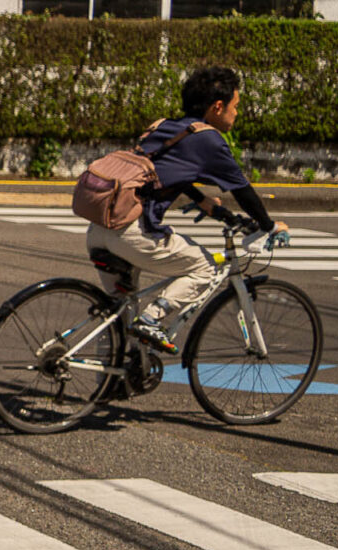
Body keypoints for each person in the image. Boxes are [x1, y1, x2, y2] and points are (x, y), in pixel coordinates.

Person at [91, 64, 287, 352]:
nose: (237, 112)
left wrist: (202, 201)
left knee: (118, 314)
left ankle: (109, 382)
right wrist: (269, 226)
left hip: (100, 228)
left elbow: (160, 173)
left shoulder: (165, 125)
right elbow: (243, 192)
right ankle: (152, 319)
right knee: (205, 267)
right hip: (133, 232)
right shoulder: (208, 139)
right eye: (236, 105)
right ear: (217, 107)